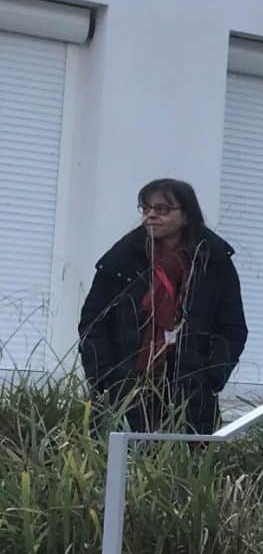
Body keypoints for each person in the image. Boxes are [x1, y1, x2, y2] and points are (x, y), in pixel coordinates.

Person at [78, 178, 247, 433]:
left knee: (185, 458)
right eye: (145, 208)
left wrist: (210, 379)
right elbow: (93, 323)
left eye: (162, 209)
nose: (151, 215)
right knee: (120, 457)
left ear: (186, 215)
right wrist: (105, 380)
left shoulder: (212, 262)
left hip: (190, 397)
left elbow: (232, 329)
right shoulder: (123, 260)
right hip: (125, 393)